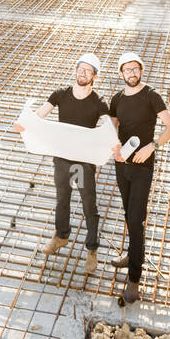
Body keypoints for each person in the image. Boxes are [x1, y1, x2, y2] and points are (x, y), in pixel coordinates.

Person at [13, 52, 109, 274]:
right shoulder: (61, 94)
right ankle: (61, 235)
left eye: (88, 71)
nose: (82, 73)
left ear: (94, 76)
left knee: (88, 205)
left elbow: (108, 125)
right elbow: (40, 115)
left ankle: (92, 249)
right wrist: (24, 124)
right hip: (62, 158)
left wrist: (112, 136)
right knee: (62, 199)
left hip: (82, 163)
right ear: (75, 70)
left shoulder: (98, 102)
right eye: (80, 68)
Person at [107, 51, 170, 305]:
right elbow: (110, 127)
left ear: (141, 71)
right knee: (128, 214)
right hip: (122, 164)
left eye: (136, 69)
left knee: (136, 220)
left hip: (143, 167)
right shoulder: (116, 99)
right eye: (127, 70)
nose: (132, 73)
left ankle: (134, 279)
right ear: (121, 74)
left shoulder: (150, 95)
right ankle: (131, 253)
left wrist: (152, 146)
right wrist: (113, 147)